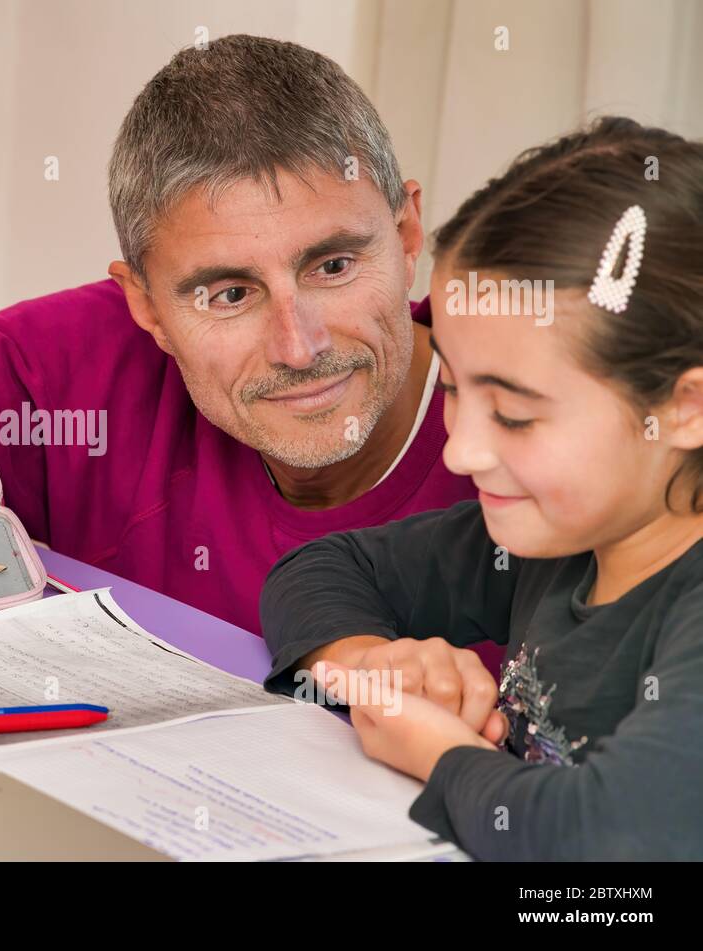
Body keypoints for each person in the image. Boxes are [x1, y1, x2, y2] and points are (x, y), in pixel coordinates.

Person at [0, 35, 494, 710]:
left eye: (335, 265)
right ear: (144, 304)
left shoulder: (531, 432)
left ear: (409, 229)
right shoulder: (92, 366)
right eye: (230, 293)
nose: (299, 344)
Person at [260, 117, 703, 859]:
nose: (462, 452)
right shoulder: (564, 533)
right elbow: (322, 568)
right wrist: (374, 663)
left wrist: (435, 754)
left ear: (683, 408)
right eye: (457, 390)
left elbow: (607, 838)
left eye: (517, 414)